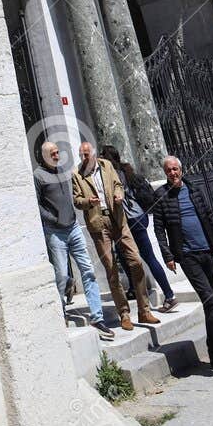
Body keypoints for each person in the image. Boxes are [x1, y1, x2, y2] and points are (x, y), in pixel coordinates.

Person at [150, 155, 213, 380]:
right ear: (165, 173)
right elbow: (159, 229)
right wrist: (168, 256)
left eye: (175, 169)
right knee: (209, 301)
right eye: (168, 170)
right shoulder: (161, 196)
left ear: (180, 170)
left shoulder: (194, 189)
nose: (172, 173)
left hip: (206, 251)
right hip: (187, 256)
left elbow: (210, 217)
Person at [73, 140, 160, 333]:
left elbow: (118, 184)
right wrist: (88, 201)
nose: (83, 158)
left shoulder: (107, 166)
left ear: (94, 155)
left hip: (118, 219)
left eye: (86, 154)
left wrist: (119, 195)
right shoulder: (76, 174)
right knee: (111, 270)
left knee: (136, 261)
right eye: (81, 155)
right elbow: (77, 200)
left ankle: (144, 310)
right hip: (98, 224)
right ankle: (124, 314)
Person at [36, 139, 114, 339]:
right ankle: (60, 311)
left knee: (88, 270)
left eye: (57, 152)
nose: (57, 155)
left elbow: (77, 192)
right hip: (55, 232)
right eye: (53, 153)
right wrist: (52, 219)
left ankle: (97, 317)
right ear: (45, 156)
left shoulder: (65, 171)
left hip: (73, 228)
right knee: (61, 274)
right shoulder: (38, 176)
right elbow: (36, 205)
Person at [101, 146, 177, 313]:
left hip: (130, 220)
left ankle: (169, 295)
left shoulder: (113, 174)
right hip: (140, 216)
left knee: (143, 257)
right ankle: (140, 290)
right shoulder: (127, 170)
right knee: (126, 254)